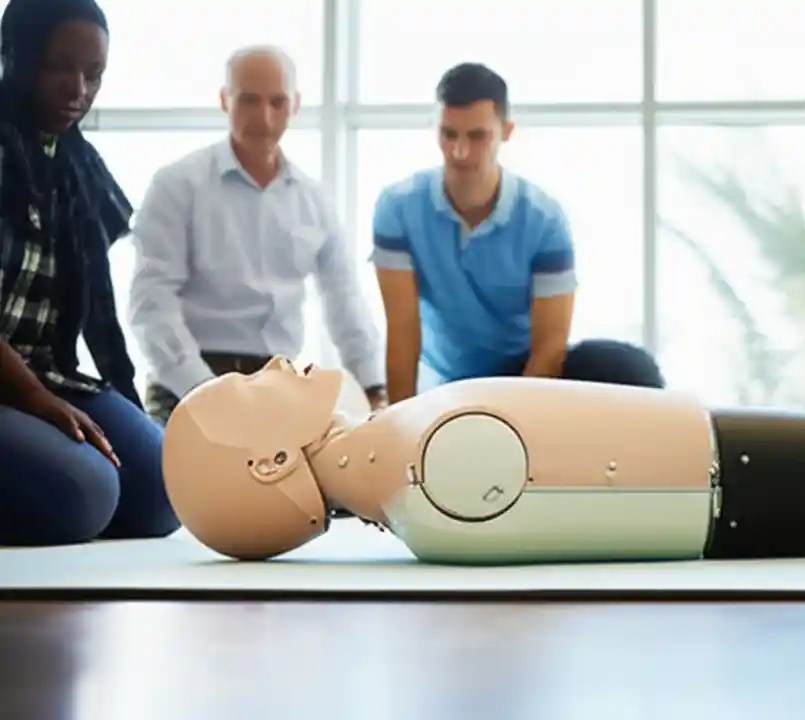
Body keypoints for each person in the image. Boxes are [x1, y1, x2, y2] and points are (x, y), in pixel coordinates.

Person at [371, 62, 664, 402]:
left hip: (522, 375)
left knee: (629, 369)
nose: (460, 152)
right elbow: (403, 332)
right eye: (448, 134)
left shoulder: (544, 220)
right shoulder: (397, 208)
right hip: (444, 382)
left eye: (477, 136)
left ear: (506, 131)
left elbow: (550, 345)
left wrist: (506, 418)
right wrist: (399, 421)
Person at [128, 46, 387, 425]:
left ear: (295, 105)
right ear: (224, 100)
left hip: (277, 385)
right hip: (186, 384)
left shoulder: (314, 200)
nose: (264, 119)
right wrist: (206, 392)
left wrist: (374, 388)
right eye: (248, 100)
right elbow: (151, 304)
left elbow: (344, 300)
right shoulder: (177, 185)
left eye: (277, 102)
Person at [0, 0, 179, 546]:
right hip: (18, 382)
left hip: (42, 371)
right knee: (85, 494)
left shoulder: (74, 164)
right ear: (16, 55)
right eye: (58, 66)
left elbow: (98, 315)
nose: (77, 89)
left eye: (93, 73)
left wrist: (124, 407)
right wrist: (35, 402)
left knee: (166, 490)